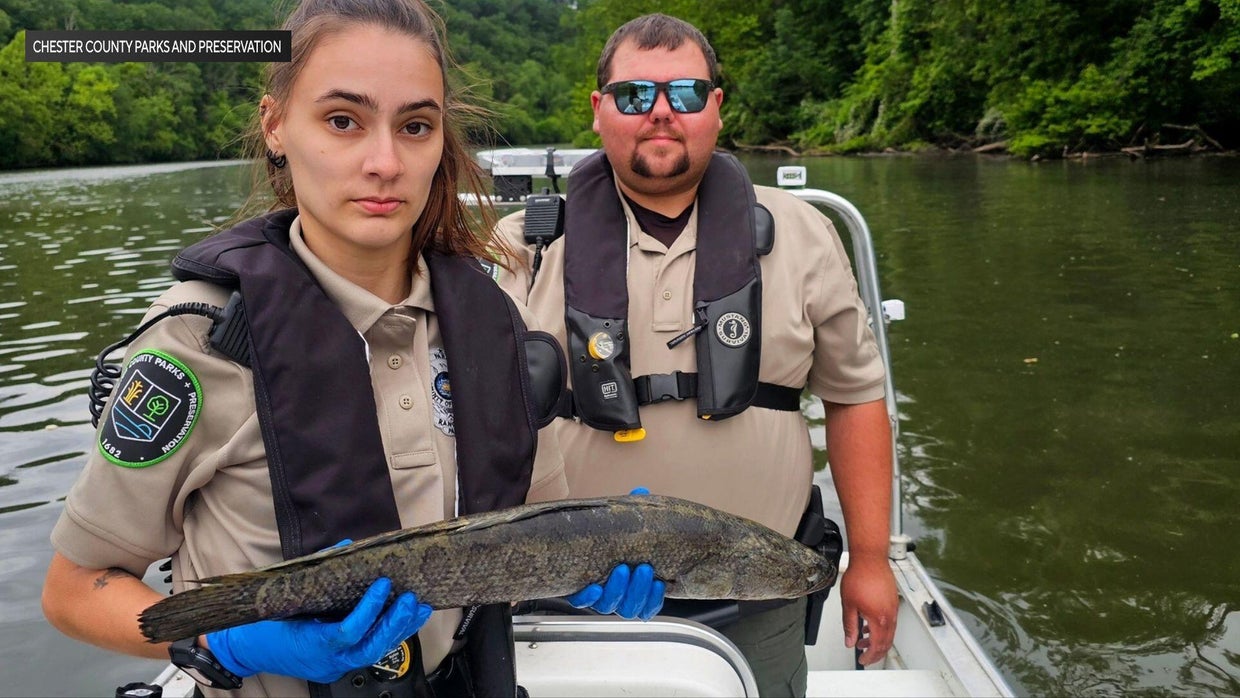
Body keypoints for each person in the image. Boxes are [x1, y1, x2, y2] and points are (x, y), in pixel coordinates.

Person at [41, 1, 659, 697]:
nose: (385, 162)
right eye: (343, 121)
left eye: (416, 126)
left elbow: (528, 542)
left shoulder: (498, 327)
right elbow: (74, 590)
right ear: (277, 126)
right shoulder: (195, 340)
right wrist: (224, 644)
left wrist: (589, 571)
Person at [494, 13, 898, 697]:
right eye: (632, 96)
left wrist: (872, 560)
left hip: (756, 599)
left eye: (683, 94)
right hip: (568, 596)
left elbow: (854, 396)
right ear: (598, 112)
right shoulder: (518, 247)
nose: (658, 113)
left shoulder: (803, 233)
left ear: (715, 106)